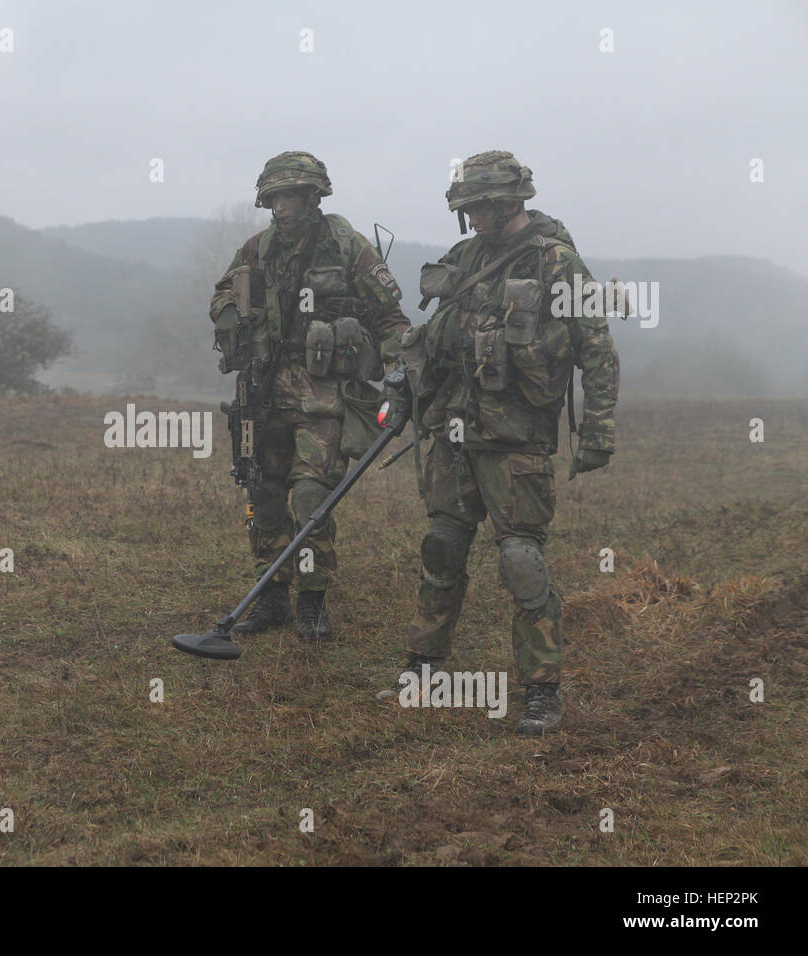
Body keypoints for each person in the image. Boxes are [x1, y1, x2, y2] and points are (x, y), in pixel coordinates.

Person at [376, 150, 620, 735]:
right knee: (441, 547)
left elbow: (598, 349)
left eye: (482, 206)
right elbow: (433, 341)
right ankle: (424, 667)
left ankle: (541, 691)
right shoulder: (463, 259)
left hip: (517, 440)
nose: (474, 216)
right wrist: (403, 390)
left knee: (520, 559)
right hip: (452, 433)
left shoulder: (557, 263)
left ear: (512, 201)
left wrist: (599, 428)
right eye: (468, 207)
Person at [209, 151, 410, 640]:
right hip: (263, 393)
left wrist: (400, 373)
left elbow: (391, 319)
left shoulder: (346, 245)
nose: (282, 208)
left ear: (313, 196)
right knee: (263, 491)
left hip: (324, 396)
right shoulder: (257, 249)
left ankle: (312, 599)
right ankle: (271, 594)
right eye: (274, 199)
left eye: (291, 197)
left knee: (310, 495)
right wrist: (229, 315)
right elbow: (221, 296)